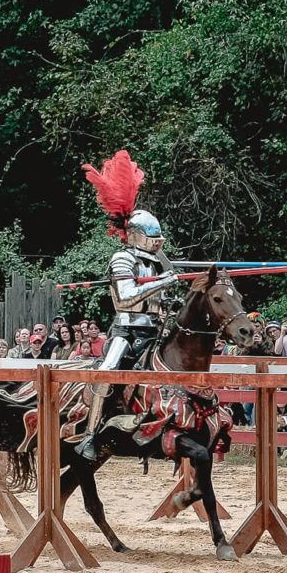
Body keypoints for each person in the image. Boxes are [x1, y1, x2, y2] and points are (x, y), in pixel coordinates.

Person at [76, 151, 181, 458]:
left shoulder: (158, 263)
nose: (158, 242)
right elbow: (126, 298)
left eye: (160, 238)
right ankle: (90, 435)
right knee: (107, 371)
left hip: (153, 333)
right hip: (127, 332)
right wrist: (164, 282)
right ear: (135, 236)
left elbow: (159, 305)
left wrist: (170, 304)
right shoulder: (122, 258)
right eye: (153, 237)